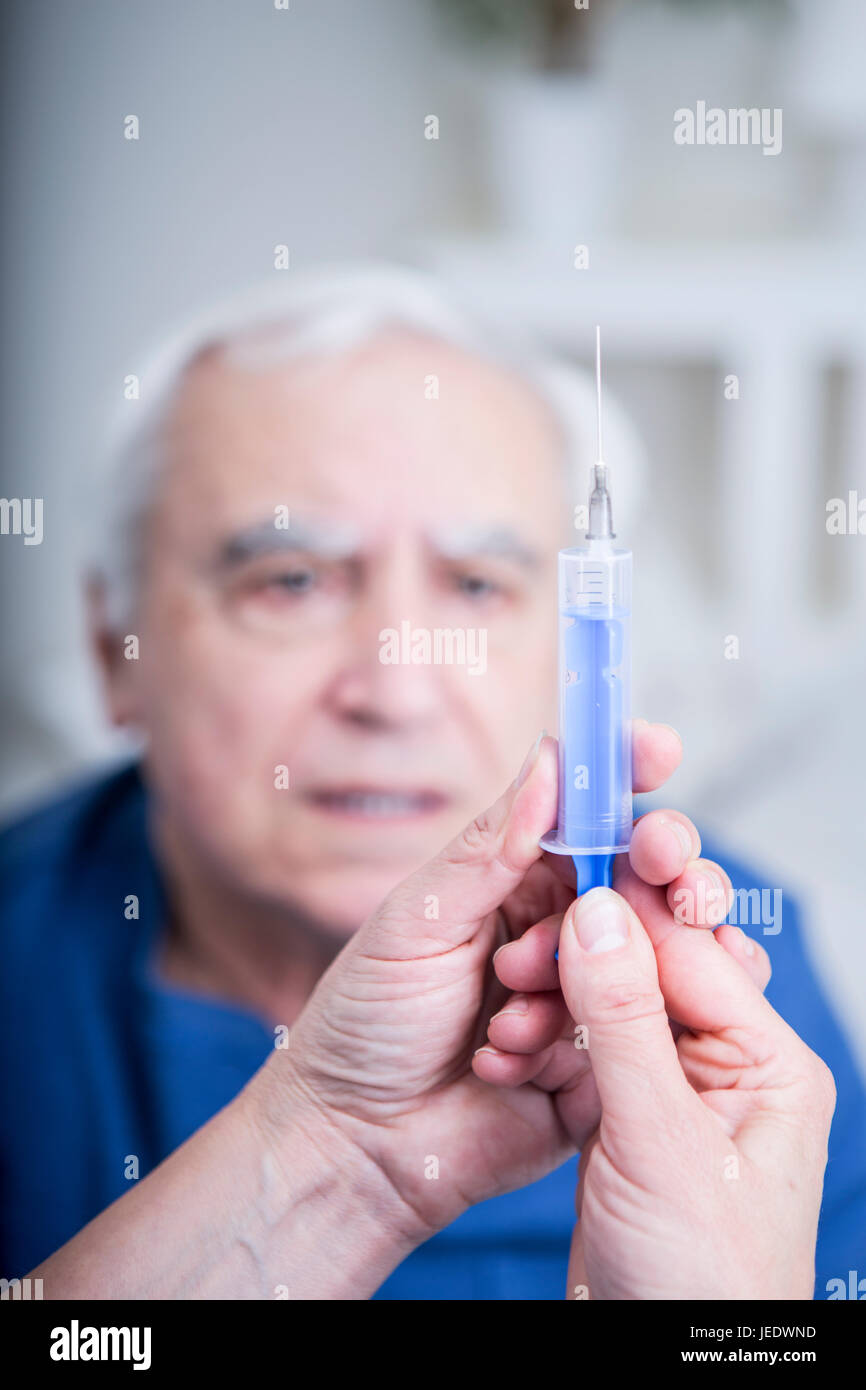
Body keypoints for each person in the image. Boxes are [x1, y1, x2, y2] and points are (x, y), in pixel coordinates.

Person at [1, 267, 861, 1299]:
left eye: (476, 585)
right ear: (115, 649)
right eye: (290, 581)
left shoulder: (734, 988)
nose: (395, 688)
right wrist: (332, 1160)